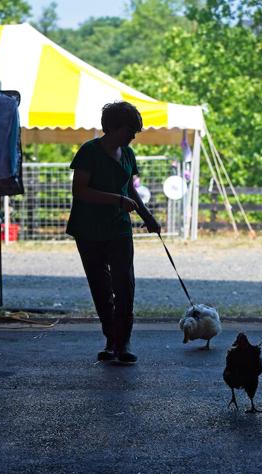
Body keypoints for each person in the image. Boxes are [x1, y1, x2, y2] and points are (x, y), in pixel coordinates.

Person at [66, 101, 161, 364]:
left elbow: (129, 190)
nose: (133, 136)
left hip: (119, 229)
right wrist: (116, 200)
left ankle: (124, 341)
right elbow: (80, 190)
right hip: (88, 229)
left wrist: (147, 216)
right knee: (101, 287)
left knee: (125, 285)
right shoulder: (89, 152)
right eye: (130, 130)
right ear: (113, 127)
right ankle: (111, 340)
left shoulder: (128, 154)